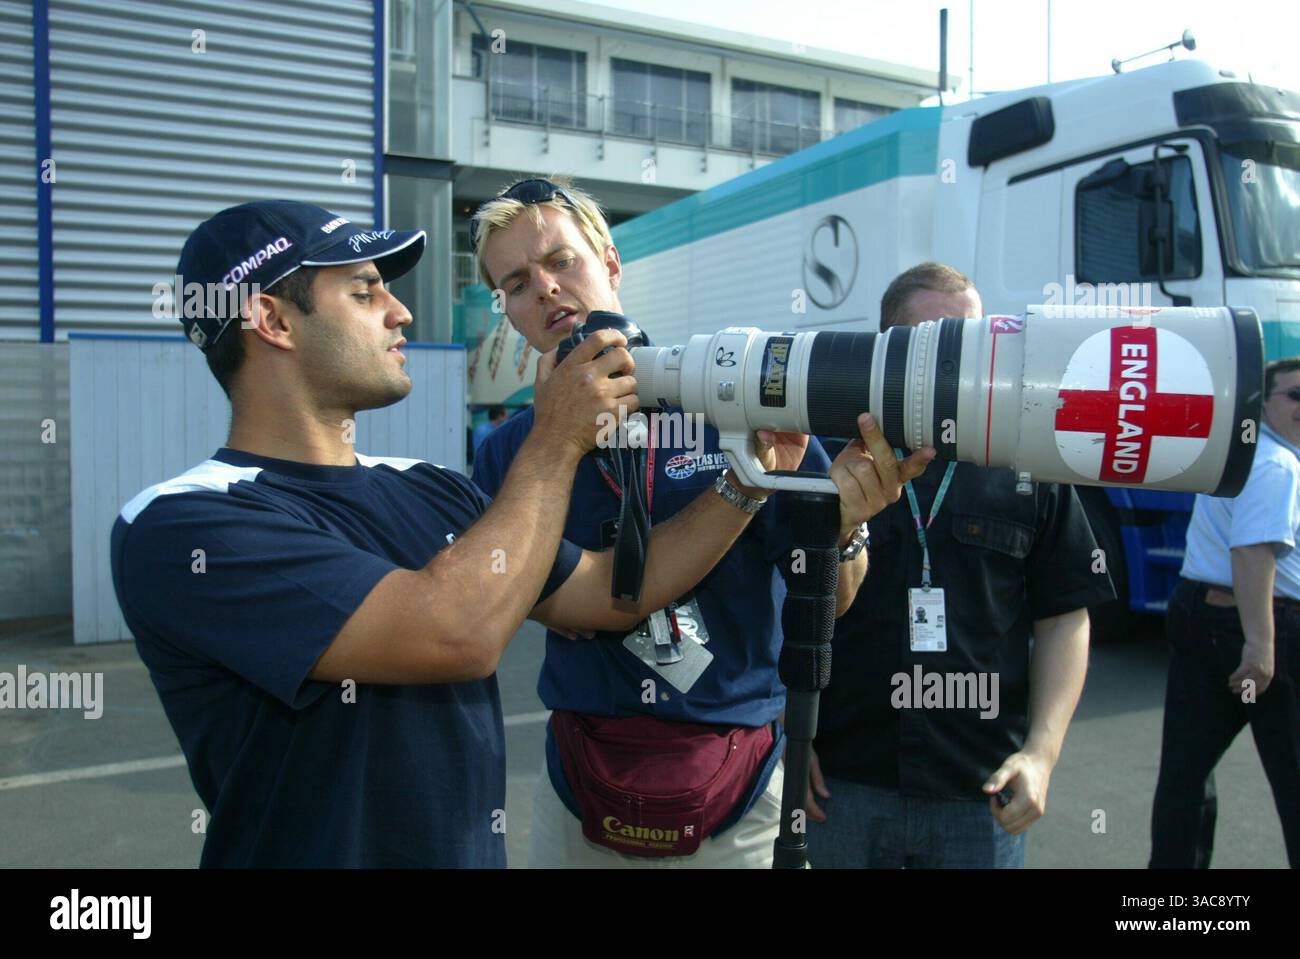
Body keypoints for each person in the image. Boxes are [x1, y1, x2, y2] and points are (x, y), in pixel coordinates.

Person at [110, 200, 841, 868]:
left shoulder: (423, 485)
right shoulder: (182, 524)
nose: (400, 312)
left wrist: (748, 478)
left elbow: (617, 589)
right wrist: (556, 441)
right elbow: (455, 631)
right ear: (272, 321)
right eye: (365, 292)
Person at [470, 176, 934, 868]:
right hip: (577, 791)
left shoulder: (731, 396)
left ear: (611, 262)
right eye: (515, 282)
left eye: (561, 260)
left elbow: (832, 598)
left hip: (734, 800)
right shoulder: (509, 451)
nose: (543, 288)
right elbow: (501, 593)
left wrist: (844, 528)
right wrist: (541, 597)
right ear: (507, 310)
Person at [806, 261, 1114, 868]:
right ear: (884, 347)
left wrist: (1042, 755)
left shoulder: (1027, 458)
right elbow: (774, 599)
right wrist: (788, 733)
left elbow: (1064, 616)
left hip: (980, 793)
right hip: (841, 783)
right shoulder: (825, 454)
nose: (949, 363)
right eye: (927, 344)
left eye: (967, 341)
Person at [1150, 357, 1300, 868]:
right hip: (1258, 625)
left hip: (1201, 615)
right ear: (1264, 403)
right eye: (1295, 395)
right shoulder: (1277, 465)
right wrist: (1261, 647)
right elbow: (1253, 552)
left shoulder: (1241, 453)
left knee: (1186, 778)